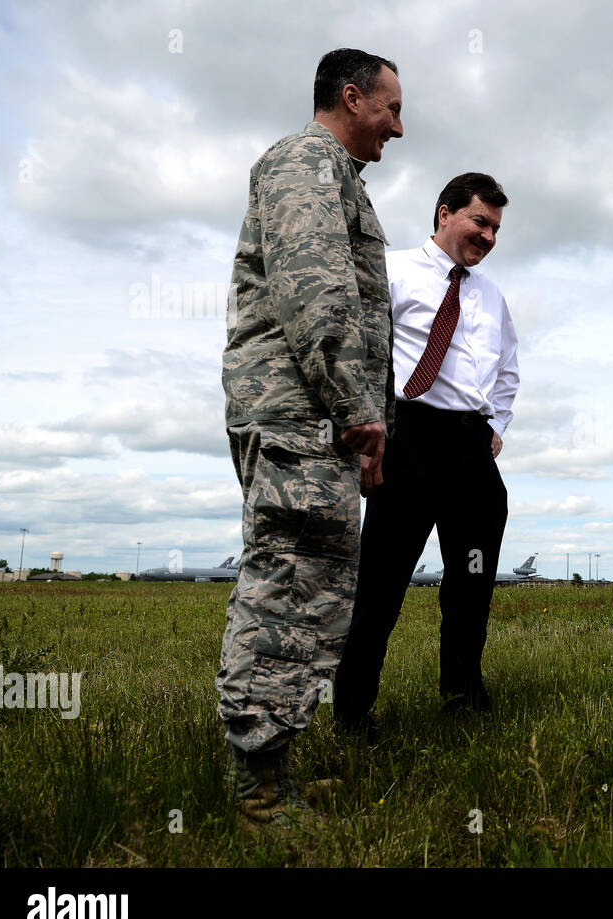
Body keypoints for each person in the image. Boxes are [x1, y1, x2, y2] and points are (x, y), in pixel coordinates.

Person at [216, 48, 403, 831]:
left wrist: (363, 420)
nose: (400, 126)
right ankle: (256, 783)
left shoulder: (339, 177)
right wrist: (358, 408)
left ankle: (273, 763)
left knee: (312, 593)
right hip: (300, 411)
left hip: (315, 415)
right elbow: (314, 290)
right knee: (287, 588)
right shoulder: (302, 162)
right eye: (390, 107)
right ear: (350, 97)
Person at [335, 172, 518, 730]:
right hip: (406, 435)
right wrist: (369, 434)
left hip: (469, 445)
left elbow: (507, 370)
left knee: (472, 583)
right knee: (382, 585)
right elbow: (363, 352)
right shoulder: (391, 271)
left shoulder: (492, 295)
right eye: (478, 221)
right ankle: (353, 711)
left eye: (495, 228)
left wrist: (496, 426)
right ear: (444, 213)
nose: (487, 236)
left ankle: (462, 699)